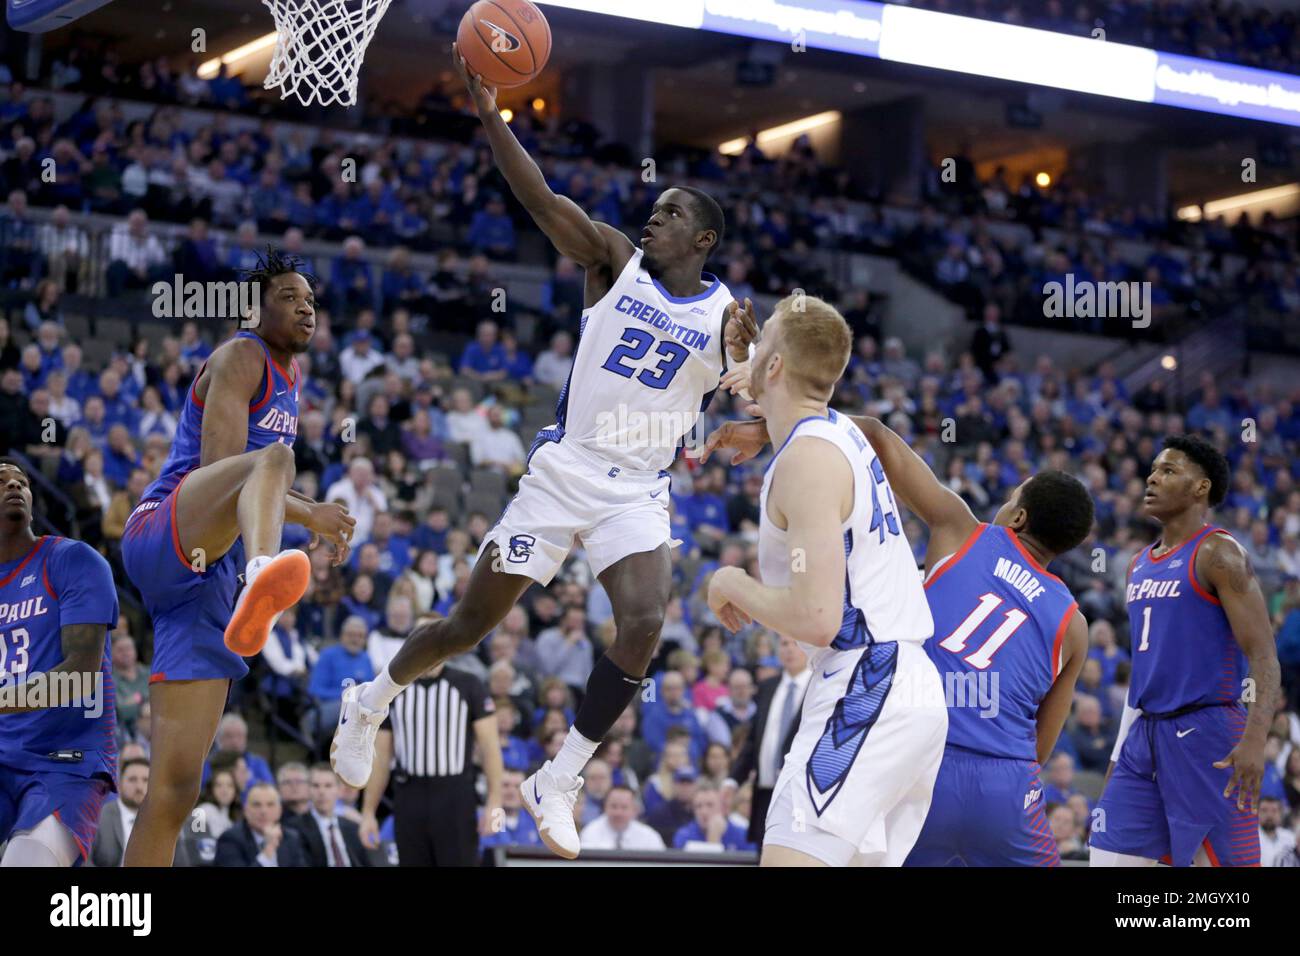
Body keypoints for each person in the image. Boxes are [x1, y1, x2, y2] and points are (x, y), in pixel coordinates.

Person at [331, 45, 756, 863]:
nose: (652, 219)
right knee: (466, 627)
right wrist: (492, 116)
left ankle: (558, 776)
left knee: (643, 624)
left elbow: (763, 375)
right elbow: (539, 198)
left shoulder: (730, 313)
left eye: (669, 214)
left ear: (702, 236)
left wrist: (752, 374)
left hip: (638, 489)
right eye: (653, 209)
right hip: (562, 477)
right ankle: (371, 699)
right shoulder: (610, 262)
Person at [119, 250, 355, 867]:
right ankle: (262, 576)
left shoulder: (292, 377)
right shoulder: (241, 355)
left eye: (311, 299)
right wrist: (310, 514)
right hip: (167, 533)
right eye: (289, 296)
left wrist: (312, 513)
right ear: (255, 308)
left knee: (174, 791)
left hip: (202, 589)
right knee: (277, 459)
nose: (306, 306)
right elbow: (221, 471)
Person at [702, 295, 947, 867]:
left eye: (763, 350)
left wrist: (732, 581)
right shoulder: (840, 433)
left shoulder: (808, 461)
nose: (755, 353)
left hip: (867, 681)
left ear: (778, 367)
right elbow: (804, 382)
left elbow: (817, 618)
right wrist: (761, 378)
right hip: (906, 686)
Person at [837, 417, 1094, 866]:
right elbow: (1041, 747)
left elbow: (877, 436)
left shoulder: (962, 530)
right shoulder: (1074, 625)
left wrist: (793, 422)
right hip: (1007, 785)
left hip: (920, 758)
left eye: (1013, 496)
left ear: (1018, 516)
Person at [1092, 435, 1281, 867]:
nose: (1152, 478)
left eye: (1169, 471)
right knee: (1108, 856)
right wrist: (1119, 752)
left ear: (1202, 488)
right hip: (1145, 734)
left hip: (1208, 732)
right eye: (1154, 469)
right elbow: (1144, 669)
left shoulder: (1220, 553)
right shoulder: (1139, 563)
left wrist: (1255, 739)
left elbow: (1265, 656)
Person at [0, 458, 119, 867]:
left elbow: (79, 676)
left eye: (21, 481)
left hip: (65, 759)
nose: (14, 485)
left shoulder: (73, 561)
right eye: (1, 481)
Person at [360, 639, 502, 867]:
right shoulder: (395, 689)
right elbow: (381, 756)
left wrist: (494, 801)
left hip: (455, 794)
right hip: (409, 793)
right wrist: (368, 812)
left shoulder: (468, 684)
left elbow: (490, 749)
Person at [285, 763, 369, 867]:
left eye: (328, 786)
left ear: (339, 790)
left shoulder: (353, 828)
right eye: (316, 786)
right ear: (308, 790)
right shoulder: (294, 828)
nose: (322, 792)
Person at [214, 781, 309, 867]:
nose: (263, 811)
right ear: (246, 810)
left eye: (270, 804)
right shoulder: (230, 839)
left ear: (280, 811)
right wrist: (269, 849)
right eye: (257, 805)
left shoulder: (291, 837)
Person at [87, 757, 154, 867]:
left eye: (146, 780)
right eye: (132, 779)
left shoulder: (161, 821)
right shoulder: (97, 817)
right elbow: (83, 861)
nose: (139, 787)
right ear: (120, 784)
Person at [579, 785, 665, 851]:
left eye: (624, 807)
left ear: (634, 810)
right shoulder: (590, 832)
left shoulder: (649, 836)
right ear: (605, 807)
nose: (618, 812)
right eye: (614, 806)